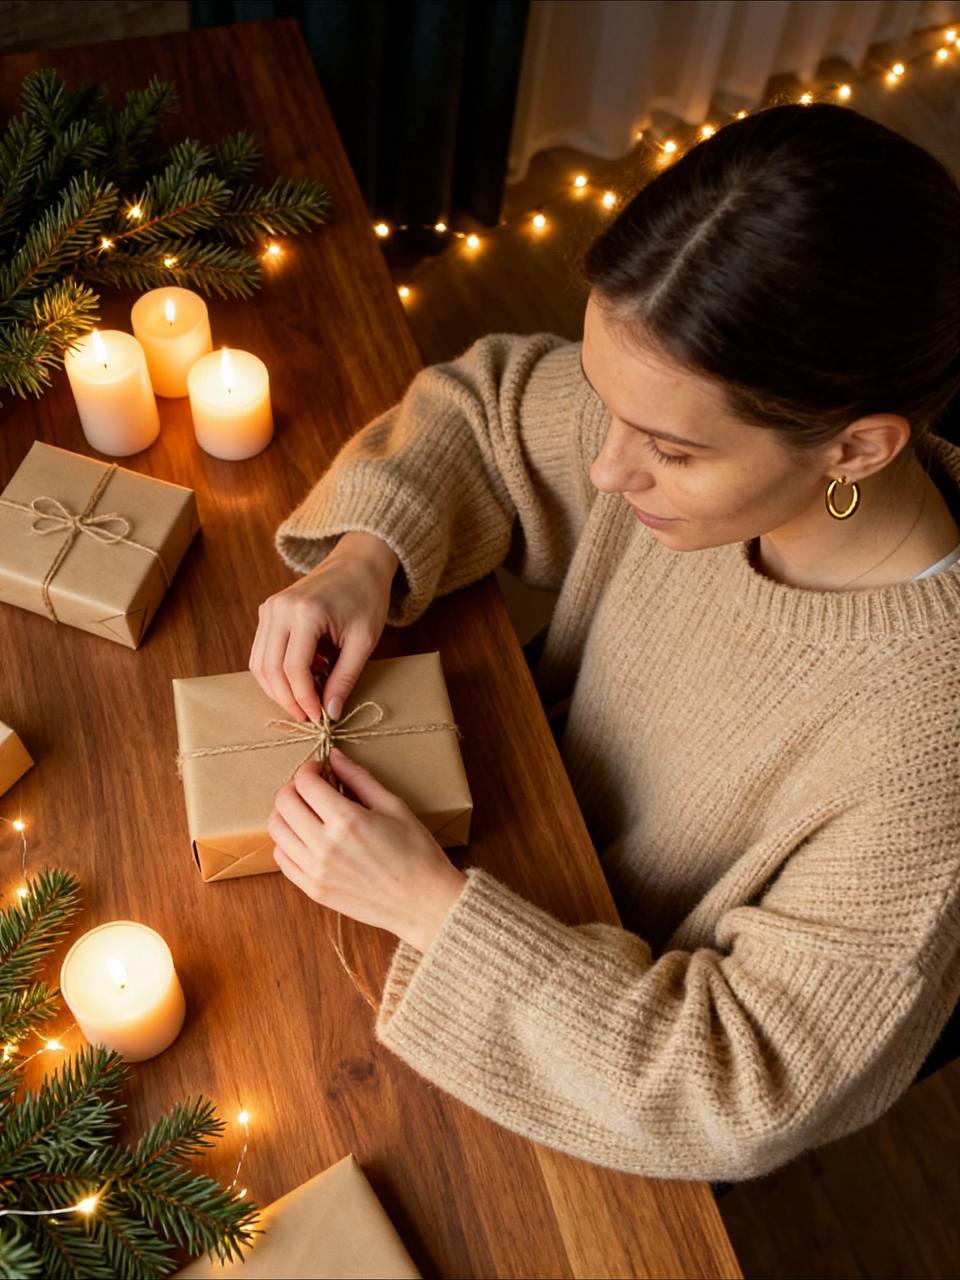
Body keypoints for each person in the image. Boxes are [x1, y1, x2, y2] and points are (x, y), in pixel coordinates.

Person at [250, 103, 960, 1184]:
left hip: (602, 1072)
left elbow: (741, 1090)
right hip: (515, 834)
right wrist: (365, 556)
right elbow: (484, 409)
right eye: (606, 402)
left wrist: (427, 905)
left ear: (857, 448)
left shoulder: (929, 751)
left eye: (670, 450)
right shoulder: (708, 434)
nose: (609, 471)